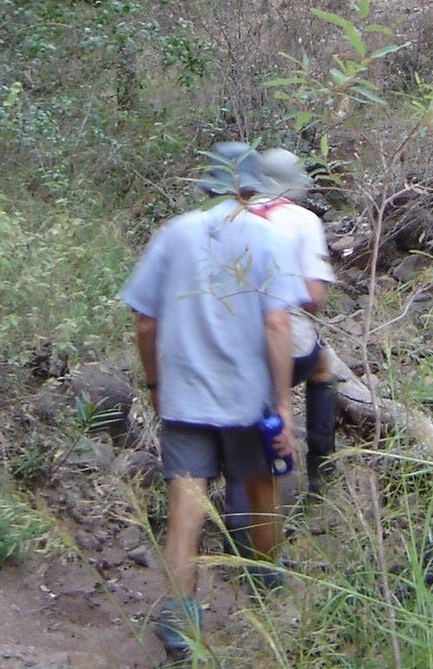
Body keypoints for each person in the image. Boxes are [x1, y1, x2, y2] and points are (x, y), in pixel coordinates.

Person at [120, 142, 307, 663]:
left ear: (206, 186)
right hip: (249, 402)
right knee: (263, 491)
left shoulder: (174, 234)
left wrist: (156, 385)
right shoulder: (268, 238)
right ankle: (266, 600)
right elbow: (277, 323)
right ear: (252, 188)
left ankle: (180, 628)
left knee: (187, 507)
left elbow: (145, 321)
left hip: (183, 400)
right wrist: (284, 404)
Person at [255, 147, 339, 497]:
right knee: (324, 366)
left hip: (222, 339)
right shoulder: (304, 220)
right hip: (285, 343)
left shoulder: (232, 213)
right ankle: (322, 464)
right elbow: (314, 299)